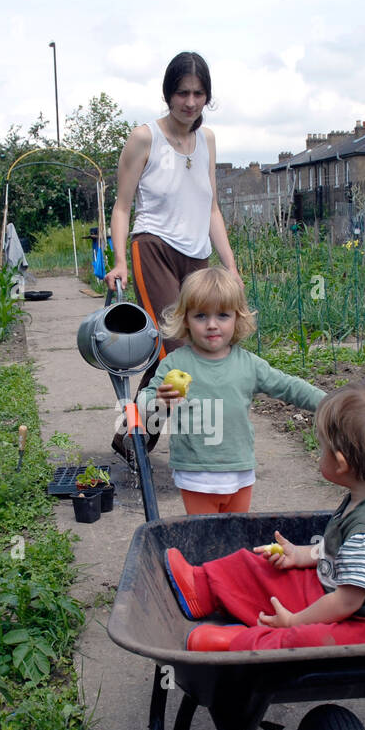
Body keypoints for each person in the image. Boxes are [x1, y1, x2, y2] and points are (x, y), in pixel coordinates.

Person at [163, 379, 365, 651]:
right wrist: (301, 555)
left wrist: (294, 621)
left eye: (322, 448)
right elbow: (339, 552)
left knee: (307, 639)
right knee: (259, 566)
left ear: (340, 464)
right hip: (334, 588)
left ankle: (237, 643)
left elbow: (346, 602)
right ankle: (200, 588)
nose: (318, 453)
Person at [106, 51, 240, 459]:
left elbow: (212, 208)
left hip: (197, 257)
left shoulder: (208, 140)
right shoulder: (145, 138)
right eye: (182, 92)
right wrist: (120, 261)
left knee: (188, 346)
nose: (191, 102)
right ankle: (165, 437)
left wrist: (230, 267)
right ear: (168, 93)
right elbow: (122, 207)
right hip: (154, 251)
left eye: (199, 93)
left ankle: (130, 435)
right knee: (178, 347)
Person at [139, 267, 324, 515]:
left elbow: (288, 386)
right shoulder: (175, 363)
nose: (212, 325)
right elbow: (144, 403)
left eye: (223, 316)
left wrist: (331, 402)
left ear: (238, 318)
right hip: (196, 474)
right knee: (207, 540)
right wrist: (159, 401)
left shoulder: (249, 364)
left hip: (239, 471)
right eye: (201, 316)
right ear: (185, 319)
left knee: (236, 537)